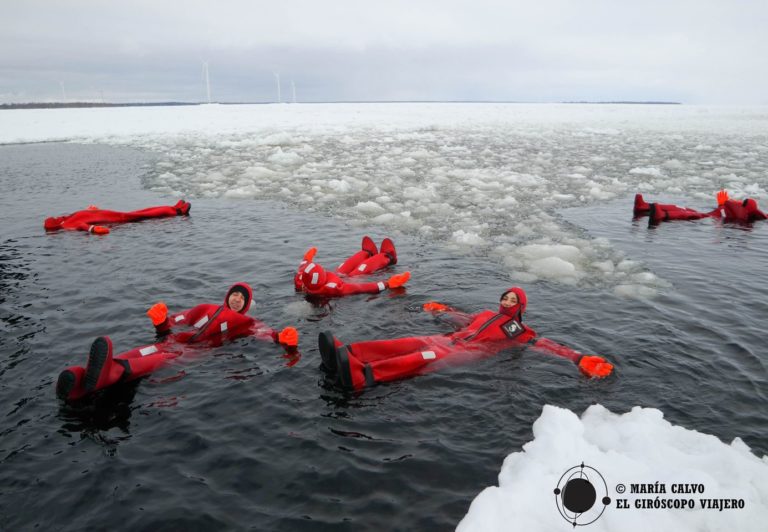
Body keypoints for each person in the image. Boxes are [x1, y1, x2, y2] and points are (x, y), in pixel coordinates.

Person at [317, 287, 613, 391]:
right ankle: (349, 352)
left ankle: (363, 375)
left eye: (513, 300)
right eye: (505, 297)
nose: (507, 301)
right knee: (405, 343)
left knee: (420, 358)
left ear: (520, 306)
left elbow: (545, 345)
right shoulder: (485, 314)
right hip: (449, 339)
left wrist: (577, 358)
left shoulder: (519, 331)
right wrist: (443, 310)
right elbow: (464, 319)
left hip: (465, 352)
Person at [56, 282, 298, 401]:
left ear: (245, 305)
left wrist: (282, 338)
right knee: (143, 351)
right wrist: (161, 321)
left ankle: (110, 373)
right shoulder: (205, 308)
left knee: (160, 358)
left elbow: (265, 332)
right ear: (227, 296)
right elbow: (176, 320)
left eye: (241, 298)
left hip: (193, 351)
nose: (236, 298)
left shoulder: (246, 322)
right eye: (234, 294)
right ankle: (82, 379)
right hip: (174, 341)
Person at [295, 236, 411, 298]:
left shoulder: (301, 280)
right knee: (358, 272)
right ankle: (388, 256)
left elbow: (303, 267)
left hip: (337, 276)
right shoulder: (332, 289)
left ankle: (366, 253)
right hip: (344, 281)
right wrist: (387, 284)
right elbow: (359, 288)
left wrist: (307, 258)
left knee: (343, 268)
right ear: (322, 278)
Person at [43, 199, 191, 234]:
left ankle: (174, 208)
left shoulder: (66, 220)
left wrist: (91, 210)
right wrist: (93, 229)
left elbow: (82, 216)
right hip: (113, 218)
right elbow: (83, 225)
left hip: (107, 214)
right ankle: (177, 212)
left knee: (142, 212)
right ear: (54, 225)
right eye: (54, 219)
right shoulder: (67, 225)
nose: (56, 217)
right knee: (143, 214)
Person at [633, 194, 720, 225]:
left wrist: (724, 205)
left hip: (711, 215)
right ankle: (643, 206)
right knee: (681, 208)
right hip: (712, 213)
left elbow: (726, 213)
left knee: (696, 215)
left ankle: (662, 215)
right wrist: (723, 204)